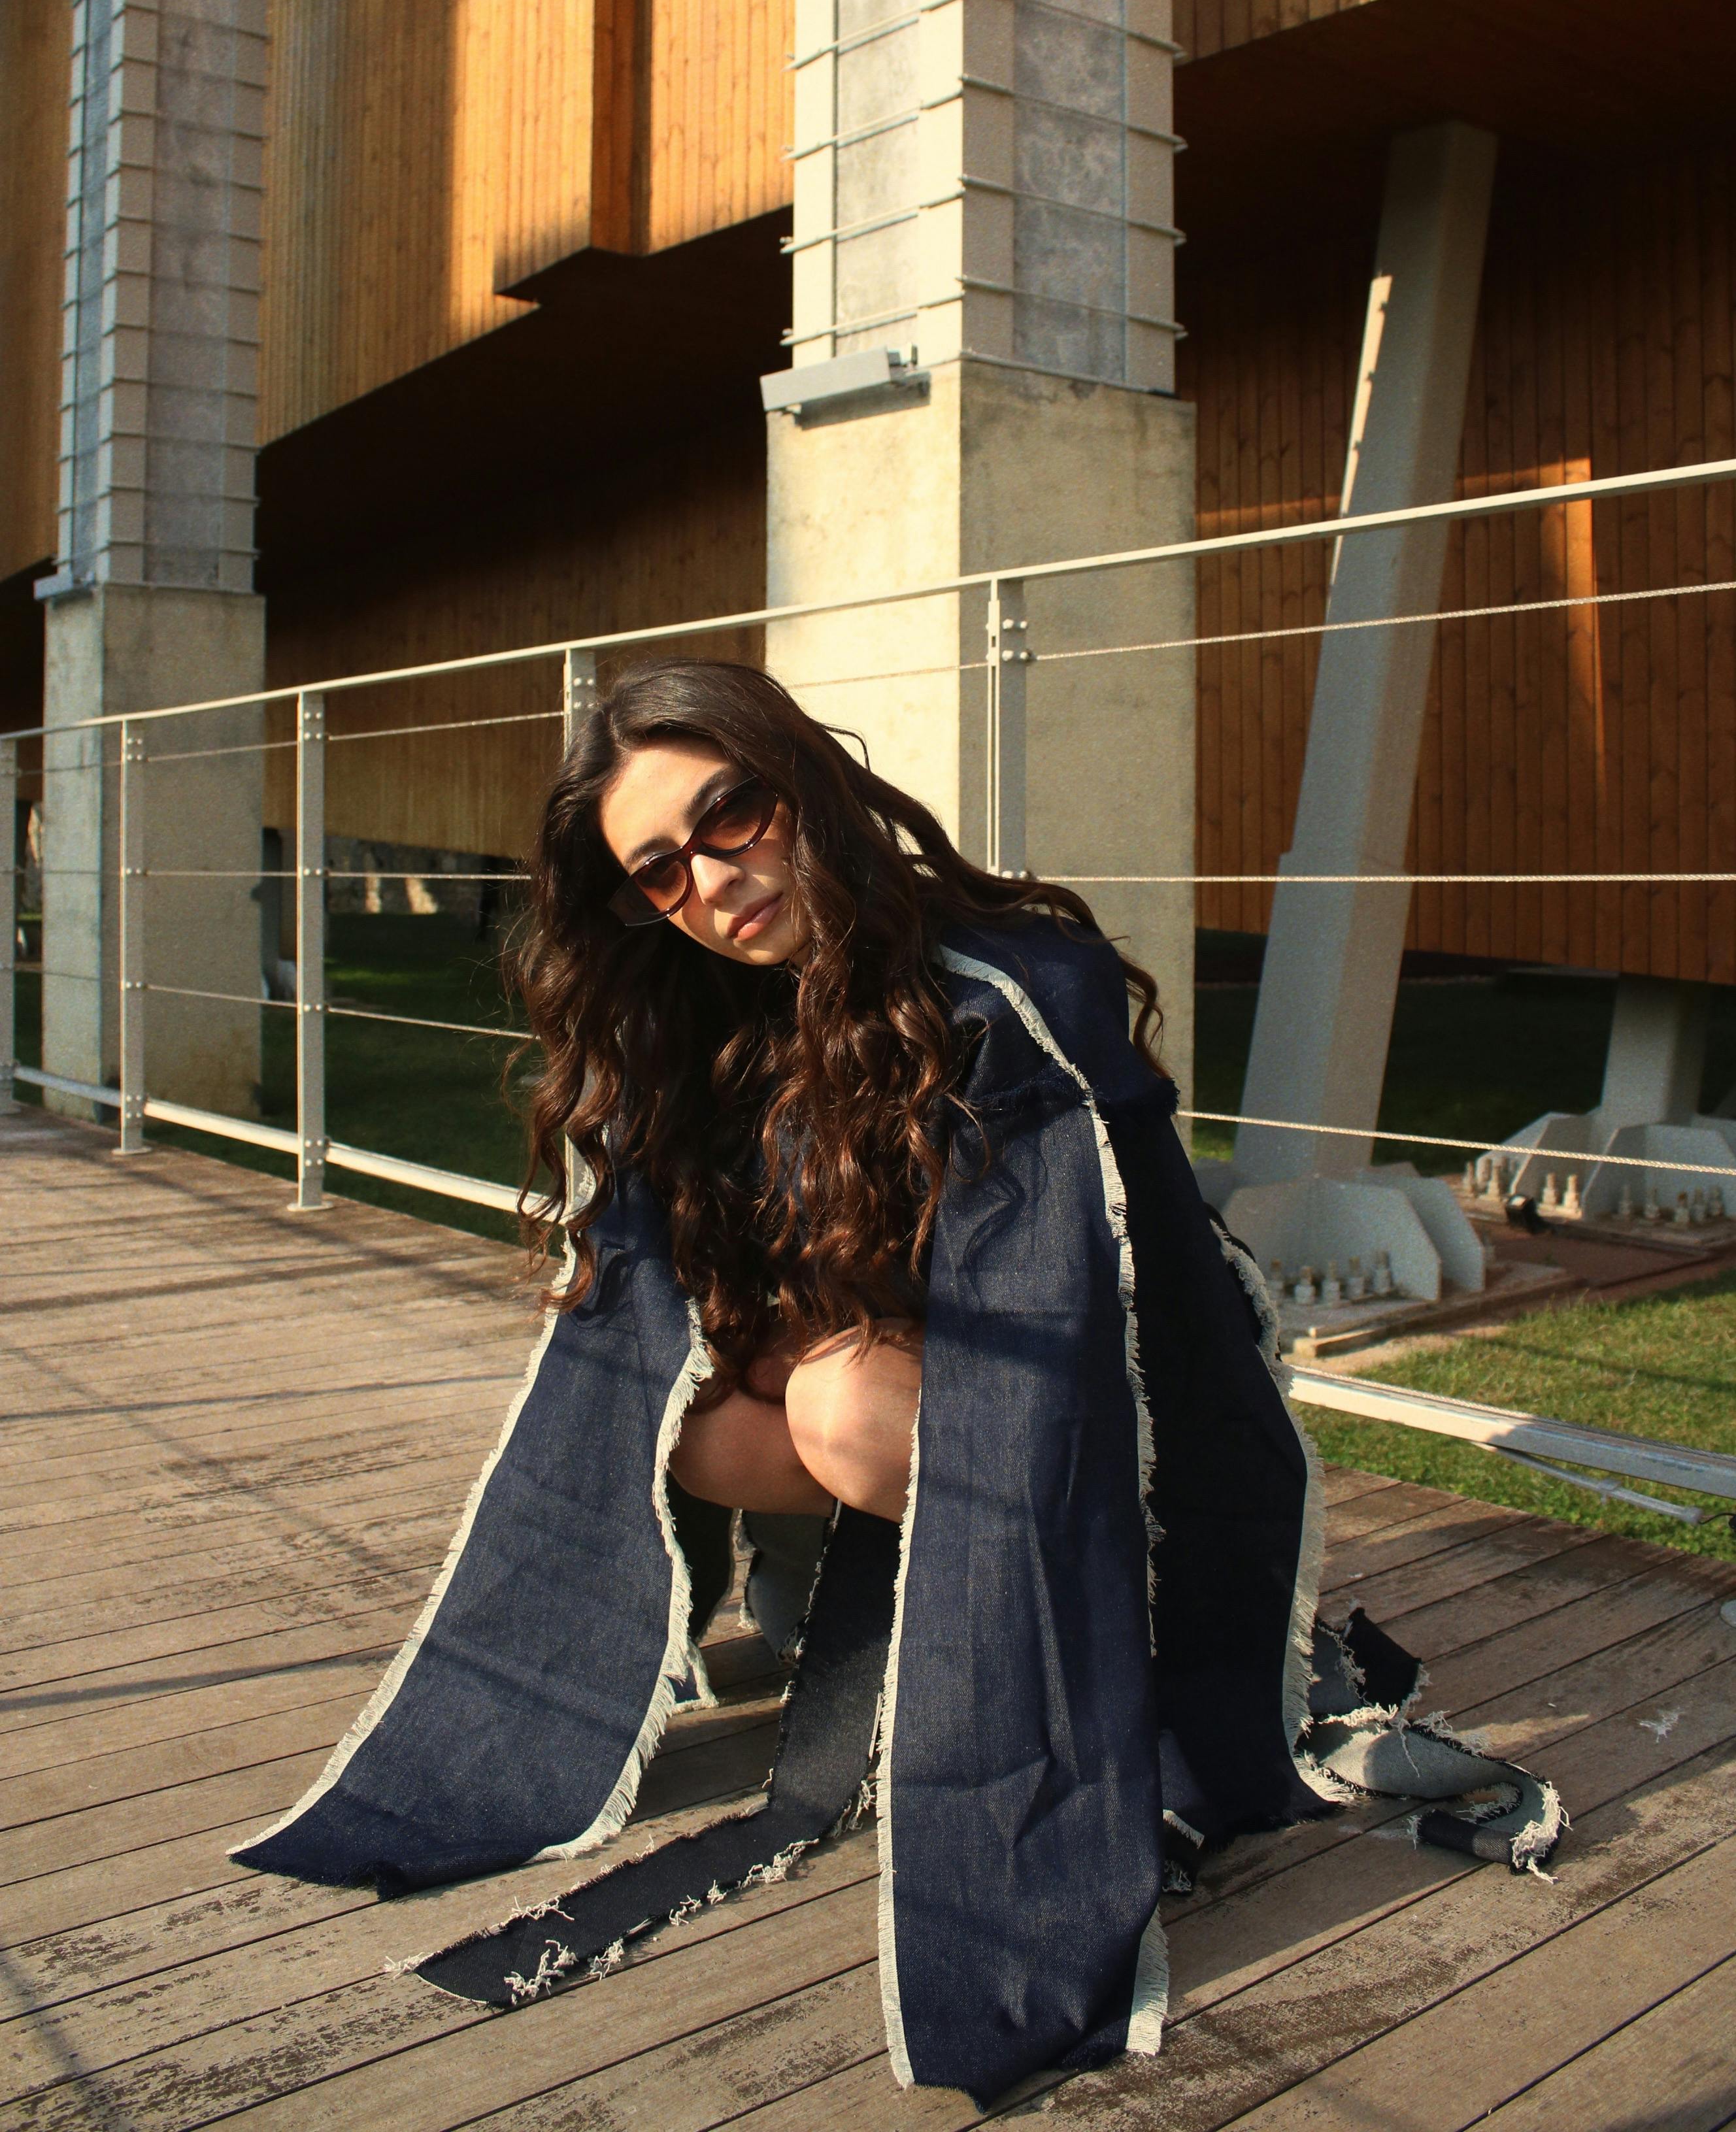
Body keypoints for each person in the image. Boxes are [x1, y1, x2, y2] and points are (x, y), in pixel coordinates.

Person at [235, 660, 1563, 2107]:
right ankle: (870, 1607)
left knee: (847, 1410)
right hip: (915, 1370)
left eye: (728, 815)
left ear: (800, 779)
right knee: (692, 1415)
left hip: (1121, 1404)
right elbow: (638, 1317)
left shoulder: (1014, 987)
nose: (712, 881)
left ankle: (1145, 1646)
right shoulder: (708, 1019)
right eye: (659, 873)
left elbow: (1076, 1334)